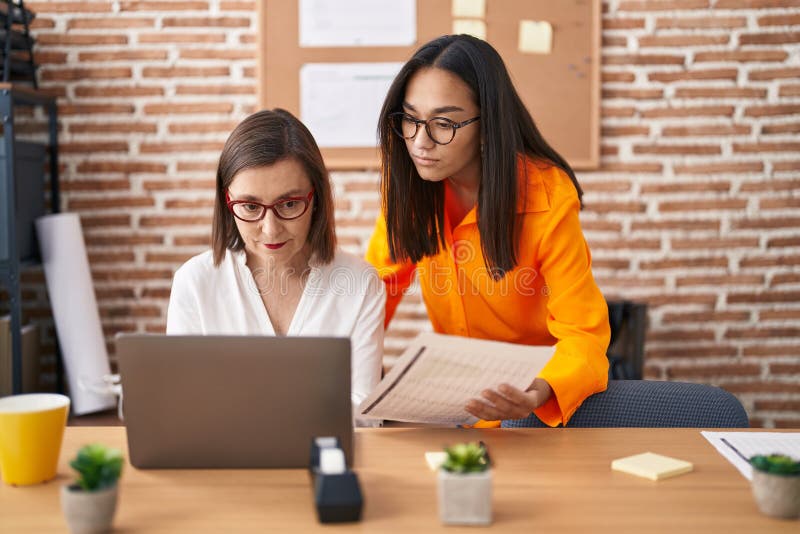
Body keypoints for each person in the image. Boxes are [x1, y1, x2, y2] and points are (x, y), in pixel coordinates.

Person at [365, 35, 610, 428]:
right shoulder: (410, 192)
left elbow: (583, 335)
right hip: (455, 404)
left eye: (443, 123)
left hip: (532, 408)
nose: (420, 142)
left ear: (487, 124)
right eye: (410, 119)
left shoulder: (548, 198)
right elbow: (374, 296)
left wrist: (538, 391)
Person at [167, 109, 385, 426]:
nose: (270, 229)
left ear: (317, 199)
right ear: (227, 202)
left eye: (289, 204)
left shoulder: (360, 283)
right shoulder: (195, 282)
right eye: (251, 207)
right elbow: (181, 406)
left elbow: (364, 416)